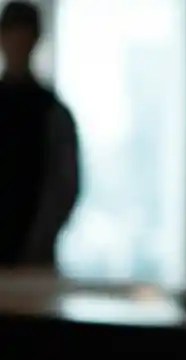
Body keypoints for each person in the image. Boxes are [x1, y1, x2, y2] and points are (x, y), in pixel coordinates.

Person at [0, 0, 79, 269]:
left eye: (23, 36)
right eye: (11, 35)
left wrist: (36, 244)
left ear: (35, 41)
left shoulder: (51, 112)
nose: (17, 44)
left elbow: (64, 186)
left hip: (36, 260)